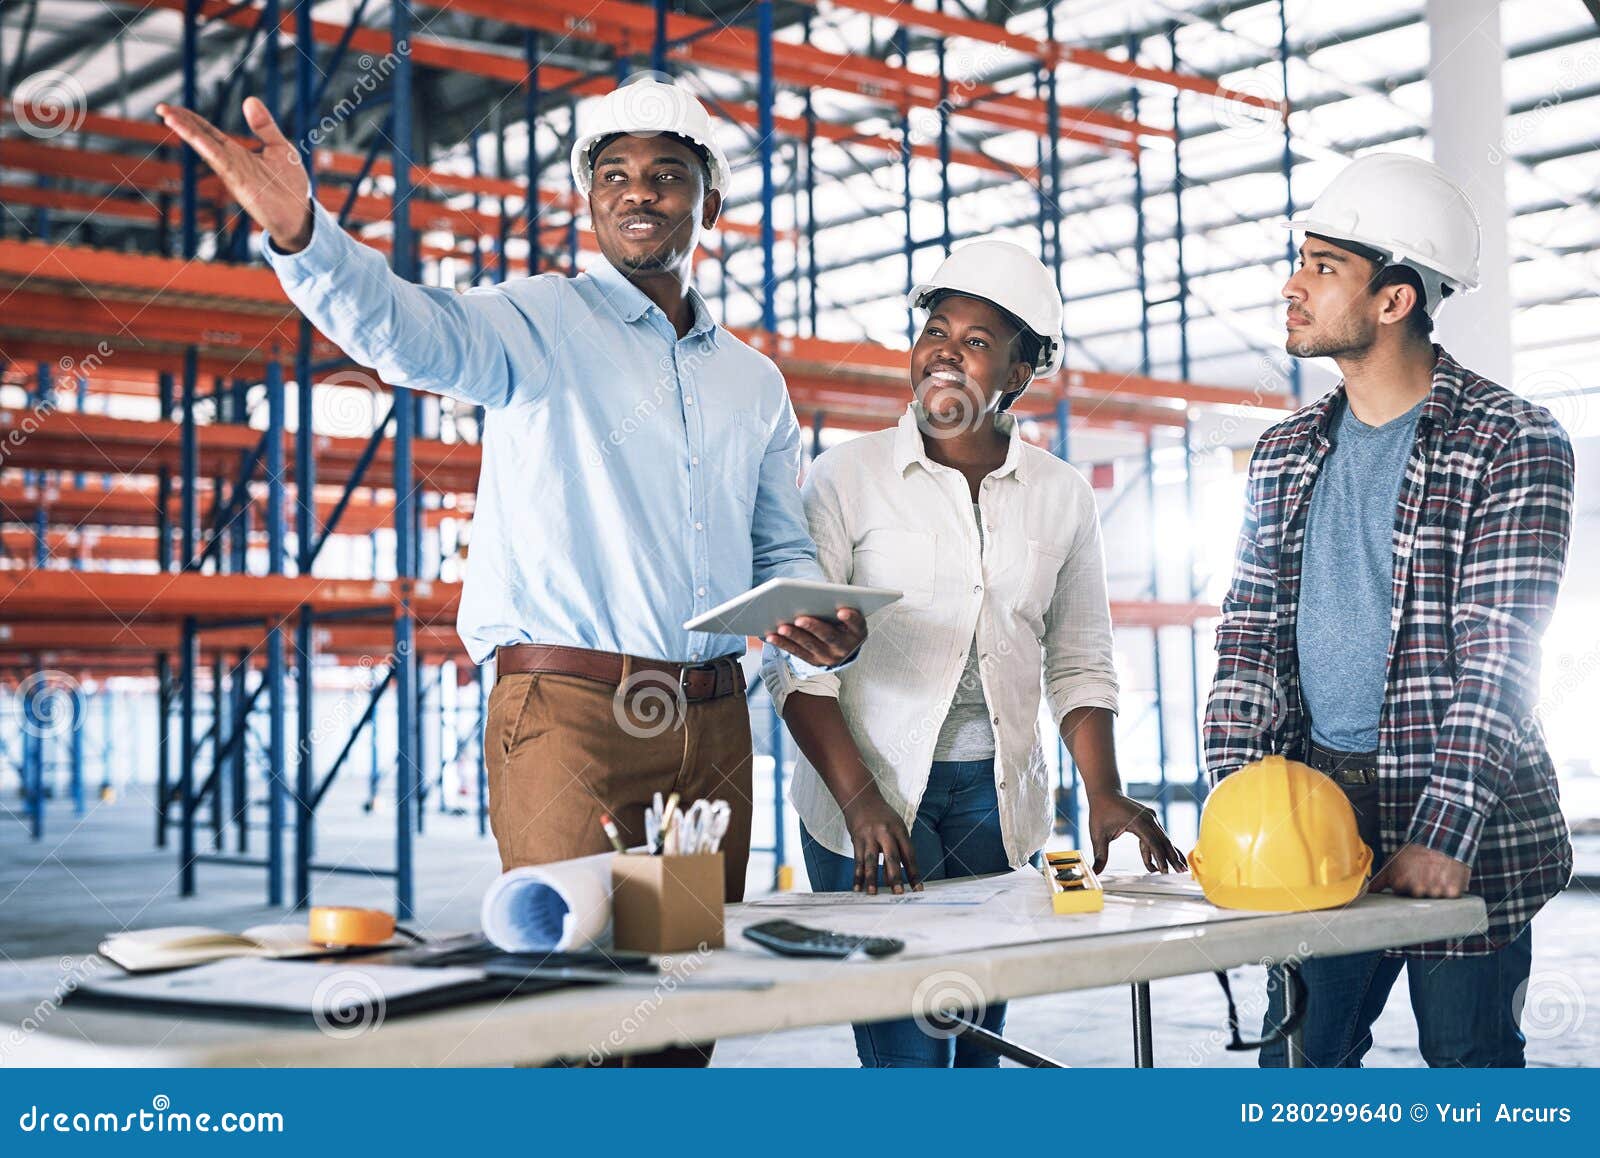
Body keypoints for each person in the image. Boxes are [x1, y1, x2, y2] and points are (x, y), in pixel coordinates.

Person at [157, 75, 867, 1066]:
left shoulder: (752, 381)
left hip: (706, 734)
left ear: (710, 199)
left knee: (680, 1011)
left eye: (666, 174)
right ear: (587, 198)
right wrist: (304, 236)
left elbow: (779, 547)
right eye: (612, 174)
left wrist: (819, 616)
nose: (638, 193)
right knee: (566, 1004)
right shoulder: (540, 322)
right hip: (569, 718)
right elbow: (407, 332)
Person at [762, 240, 1186, 1068]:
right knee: (906, 1057)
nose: (945, 350)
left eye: (978, 339)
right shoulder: (845, 478)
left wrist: (1103, 791)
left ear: (1021, 374)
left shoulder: (1061, 495)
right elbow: (796, 661)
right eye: (935, 329)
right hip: (869, 797)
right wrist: (859, 804)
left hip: (998, 800)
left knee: (977, 1044)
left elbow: (1079, 655)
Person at [1203, 153, 1575, 1068]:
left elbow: (1501, 657)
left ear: (1395, 299)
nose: (1294, 286)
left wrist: (1443, 835)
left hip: (1466, 812)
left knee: (1471, 1077)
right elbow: (1248, 634)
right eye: (1301, 261)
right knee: (1299, 1078)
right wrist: (1241, 801)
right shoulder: (1285, 451)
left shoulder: (1513, 442)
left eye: (1324, 267)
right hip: (1312, 804)